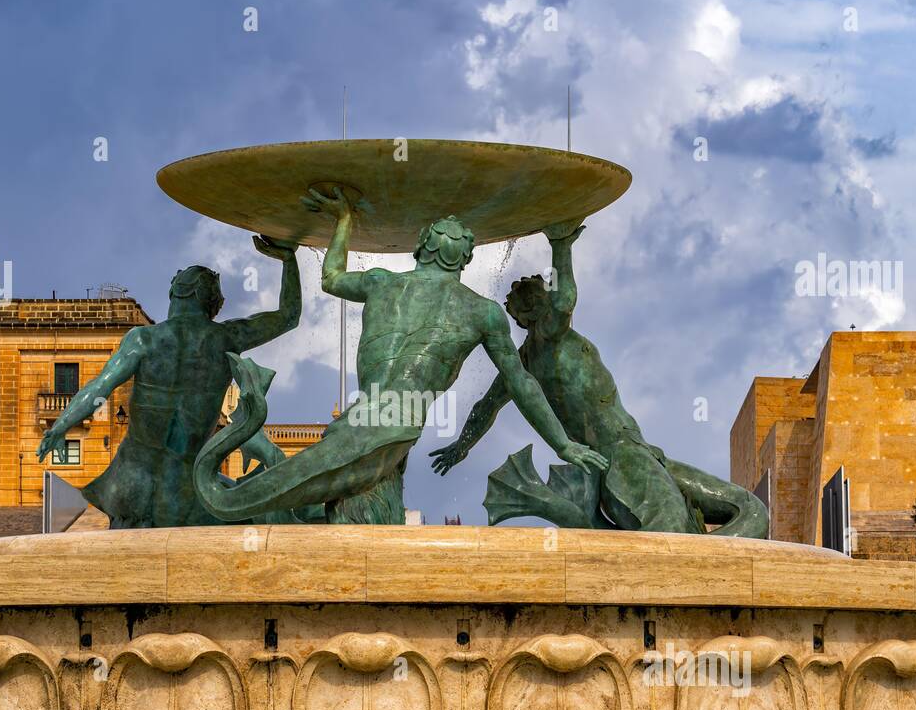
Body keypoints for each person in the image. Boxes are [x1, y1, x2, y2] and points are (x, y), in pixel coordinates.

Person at [191, 187, 608, 524]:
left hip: (366, 423)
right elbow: (522, 384)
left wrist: (343, 221)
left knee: (266, 501)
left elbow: (331, 277)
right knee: (298, 505)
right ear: (464, 260)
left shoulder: (381, 282)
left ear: (421, 248)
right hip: (391, 427)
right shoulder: (482, 311)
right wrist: (563, 445)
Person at [430, 221, 768, 538]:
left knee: (752, 512)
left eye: (536, 292)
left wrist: (462, 446)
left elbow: (486, 407)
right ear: (520, 318)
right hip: (621, 460)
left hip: (641, 452)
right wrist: (561, 245)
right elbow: (487, 405)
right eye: (524, 300)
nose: (534, 299)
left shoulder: (533, 355)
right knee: (674, 535)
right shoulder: (541, 345)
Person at [37, 235, 304, 527]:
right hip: (186, 494)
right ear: (212, 302)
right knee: (254, 516)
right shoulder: (227, 338)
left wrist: (61, 426)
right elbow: (289, 316)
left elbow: (100, 386)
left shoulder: (143, 339)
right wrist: (288, 260)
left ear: (177, 293)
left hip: (128, 486)